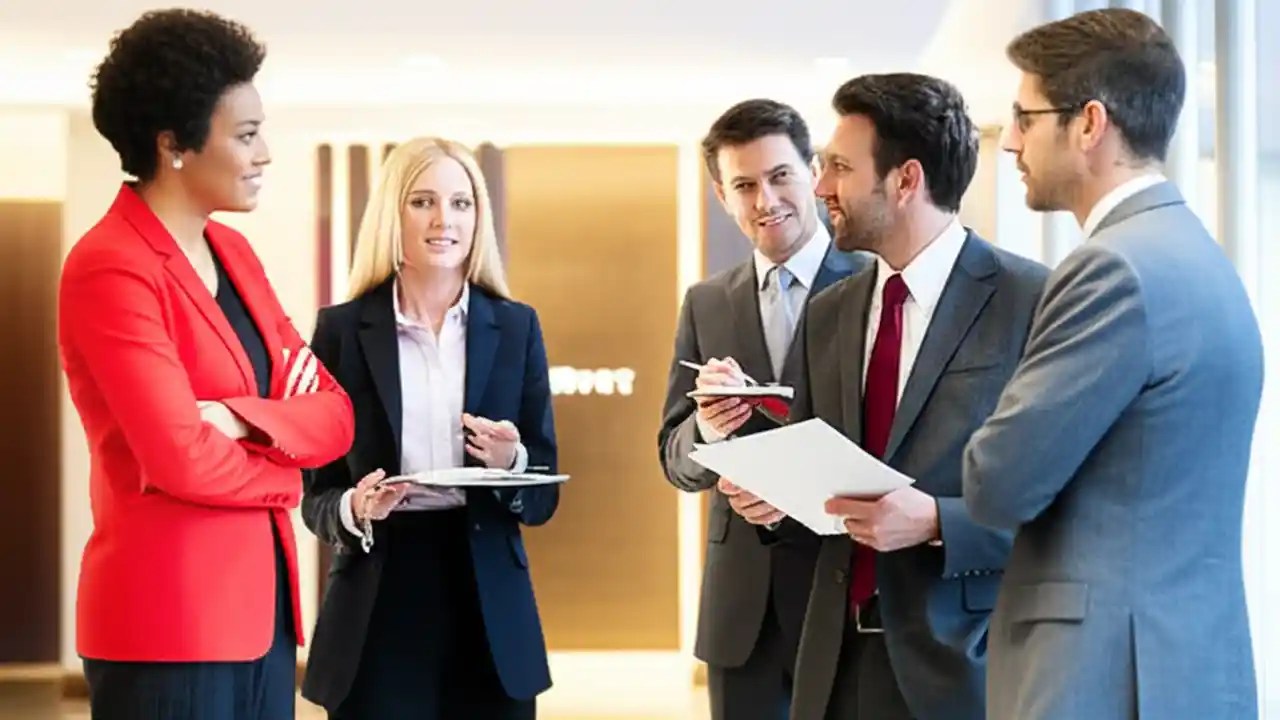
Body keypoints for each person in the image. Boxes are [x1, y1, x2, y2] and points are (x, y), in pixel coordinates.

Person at [962, 8, 1263, 720]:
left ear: (1090, 124)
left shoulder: (1111, 270)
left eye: (1024, 117)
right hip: (1184, 666)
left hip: (1102, 675)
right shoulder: (1199, 258)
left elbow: (998, 482)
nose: (1010, 144)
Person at [57, 9, 355, 719]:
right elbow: (179, 458)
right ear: (175, 145)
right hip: (167, 626)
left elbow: (335, 413)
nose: (266, 154)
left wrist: (234, 418)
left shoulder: (236, 257)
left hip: (263, 623)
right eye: (247, 135)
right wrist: (287, 469)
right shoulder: (111, 268)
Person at [727, 74, 1048, 720]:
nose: (819, 189)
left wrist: (936, 522)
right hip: (835, 667)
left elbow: (1066, 505)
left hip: (963, 667)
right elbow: (821, 487)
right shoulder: (831, 312)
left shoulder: (1031, 301)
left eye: (839, 168)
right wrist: (775, 502)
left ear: (905, 181)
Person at [300, 137, 558, 720]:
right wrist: (354, 509)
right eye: (423, 201)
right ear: (395, 212)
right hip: (379, 597)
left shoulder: (516, 328)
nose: (445, 220)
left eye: (462, 203)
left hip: (489, 601)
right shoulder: (341, 332)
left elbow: (543, 497)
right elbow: (315, 493)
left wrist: (510, 465)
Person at [657, 99, 867, 720]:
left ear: (814, 172)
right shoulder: (705, 303)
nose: (764, 200)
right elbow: (674, 459)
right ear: (723, 196)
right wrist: (707, 429)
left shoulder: (874, 283)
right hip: (740, 607)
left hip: (844, 590)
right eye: (744, 185)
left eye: (780, 177)